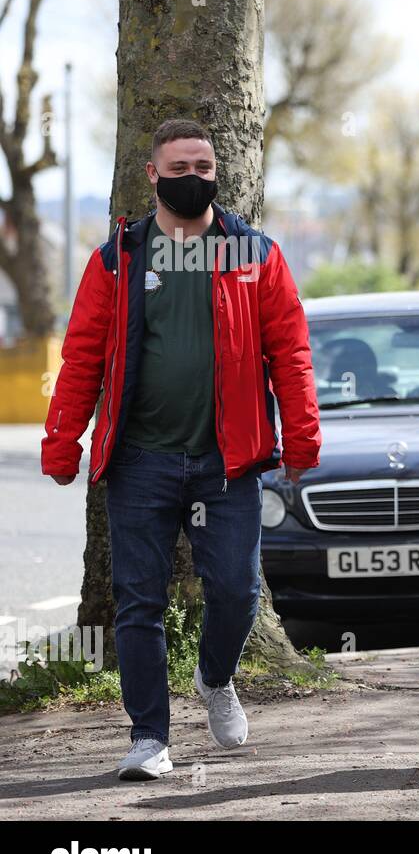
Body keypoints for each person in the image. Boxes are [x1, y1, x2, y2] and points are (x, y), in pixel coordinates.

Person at [41, 118, 320, 780]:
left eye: (203, 167)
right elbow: (81, 356)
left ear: (216, 172)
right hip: (140, 461)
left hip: (232, 461)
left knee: (235, 591)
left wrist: (303, 436)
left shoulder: (252, 253)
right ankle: (148, 739)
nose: (192, 178)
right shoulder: (120, 257)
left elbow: (292, 351)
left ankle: (216, 677)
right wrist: (63, 441)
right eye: (179, 168)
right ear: (153, 175)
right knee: (138, 600)